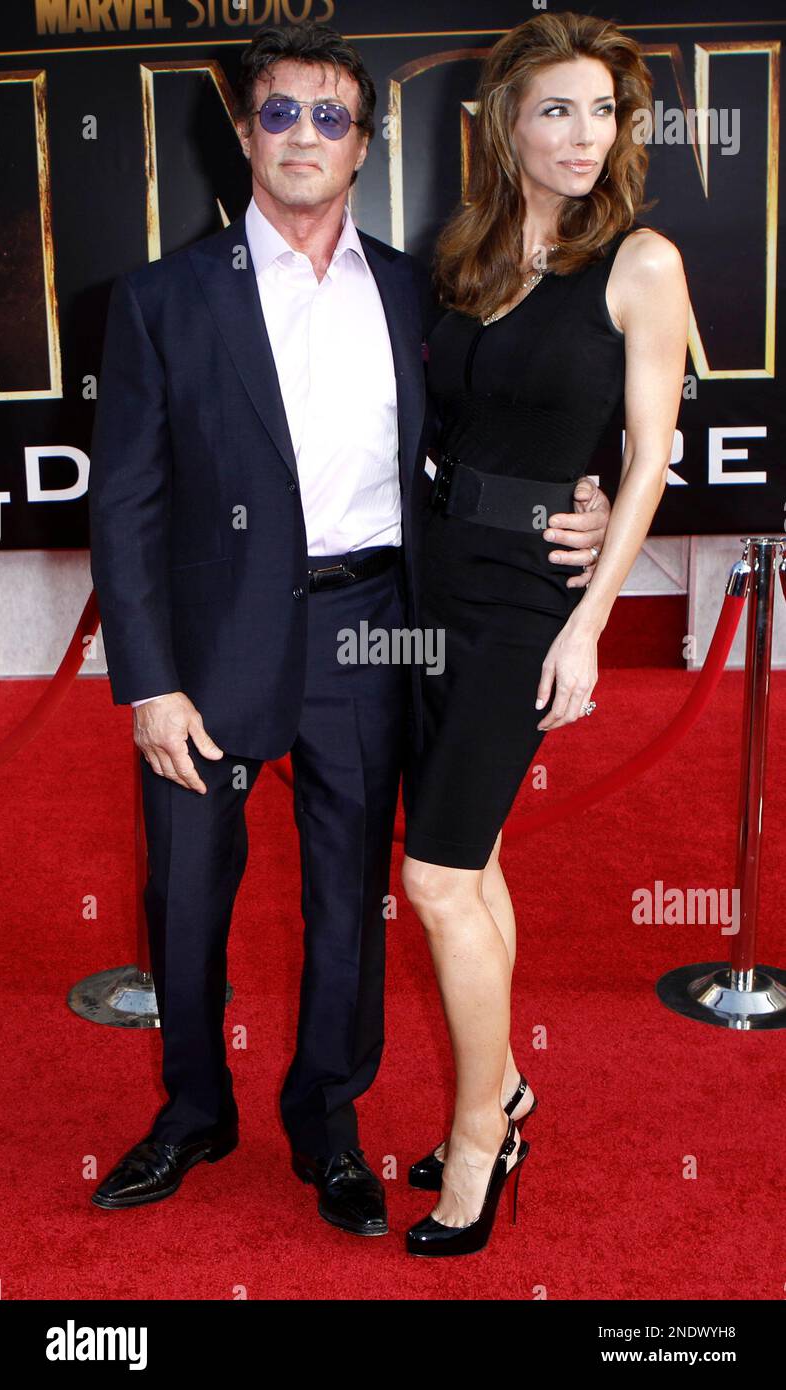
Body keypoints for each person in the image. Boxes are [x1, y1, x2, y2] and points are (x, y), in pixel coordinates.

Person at [86, 21, 611, 1236]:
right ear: (247, 131)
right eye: (281, 113)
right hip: (210, 646)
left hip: (377, 625)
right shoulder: (162, 300)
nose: (304, 136)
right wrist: (148, 683)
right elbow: (125, 502)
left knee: (348, 901)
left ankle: (328, 1123)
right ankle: (191, 1110)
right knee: (187, 894)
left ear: (364, 144)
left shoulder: (417, 287)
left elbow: (505, 420)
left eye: (331, 117)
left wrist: (578, 500)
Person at [400, 11, 690, 1258]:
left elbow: (643, 459)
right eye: (558, 109)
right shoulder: (462, 253)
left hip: (530, 594)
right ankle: (503, 1085)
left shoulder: (639, 262)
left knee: (434, 879)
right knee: (479, 863)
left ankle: (481, 1134)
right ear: (507, 122)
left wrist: (591, 621)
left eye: (605, 111)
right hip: (428, 578)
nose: (586, 135)